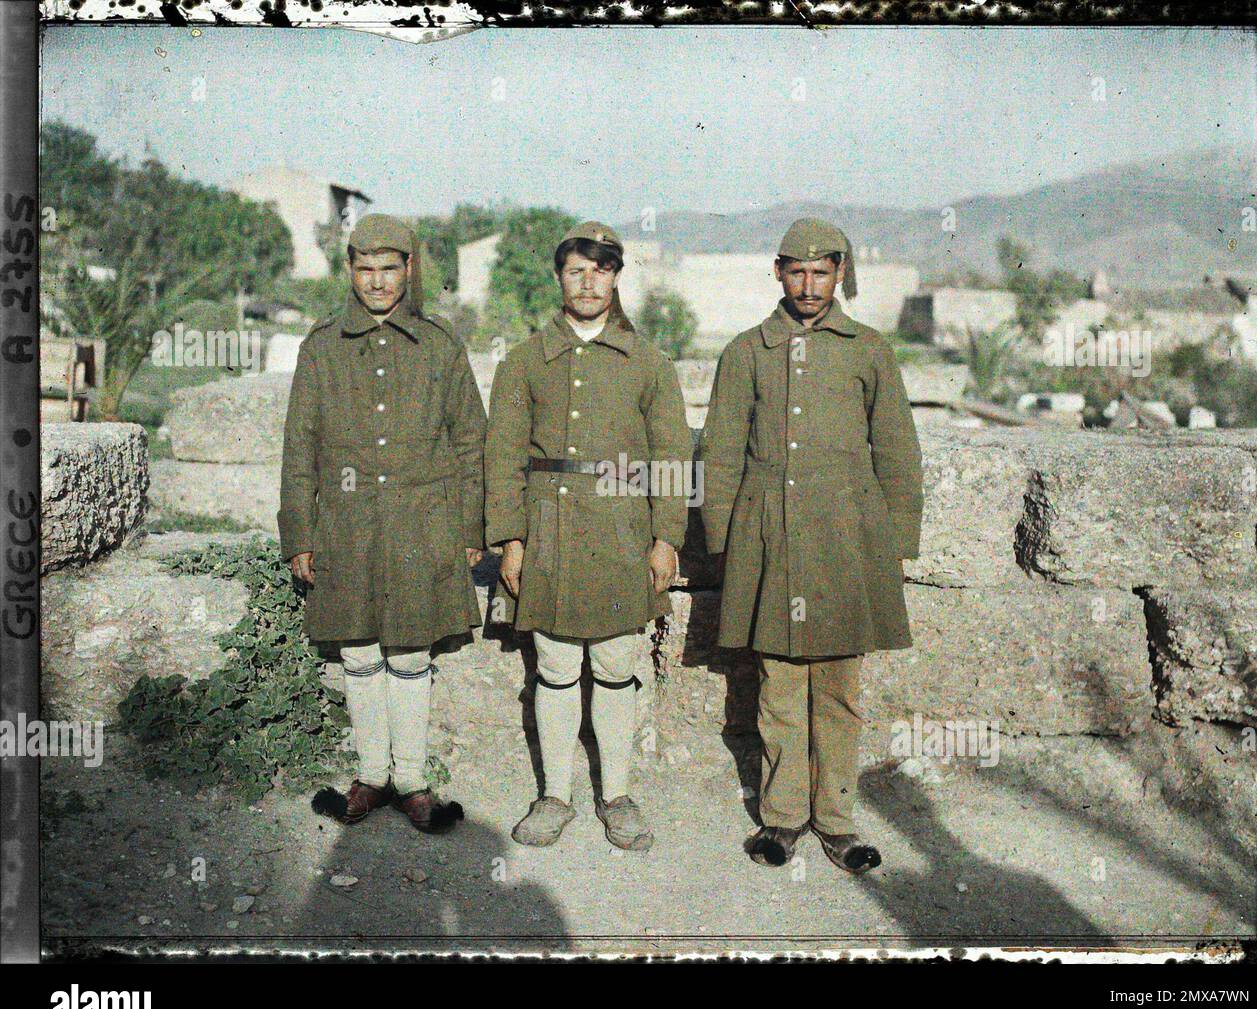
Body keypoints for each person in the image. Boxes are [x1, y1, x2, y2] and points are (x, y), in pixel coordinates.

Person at [697, 217, 924, 872]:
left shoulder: (869, 350)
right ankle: (783, 818)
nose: (809, 283)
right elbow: (719, 456)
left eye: (822, 271)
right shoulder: (746, 353)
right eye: (796, 270)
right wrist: (724, 545)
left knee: (839, 688)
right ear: (777, 272)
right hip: (771, 543)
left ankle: (837, 821)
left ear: (840, 274)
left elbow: (898, 454)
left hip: (848, 543)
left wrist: (896, 546)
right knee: (779, 686)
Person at [484, 221, 692, 851]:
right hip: (549, 530)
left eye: (601, 270)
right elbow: (501, 456)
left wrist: (666, 537)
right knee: (552, 662)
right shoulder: (524, 361)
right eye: (576, 270)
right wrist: (510, 539)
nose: (588, 282)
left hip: (622, 527)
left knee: (614, 661)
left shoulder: (649, 362)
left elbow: (673, 454)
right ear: (558, 277)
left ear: (616, 278)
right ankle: (554, 795)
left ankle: (618, 795)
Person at [279, 213, 485, 833]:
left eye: (389, 269)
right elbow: (300, 446)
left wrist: (471, 529)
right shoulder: (320, 346)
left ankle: (413, 781)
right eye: (365, 269)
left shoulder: (441, 344)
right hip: (347, 527)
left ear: (409, 270)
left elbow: (472, 440)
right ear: (350, 272)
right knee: (361, 650)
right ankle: (371, 773)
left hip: (423, 525)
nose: (377, 282)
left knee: (410, 649)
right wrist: (300, 534)